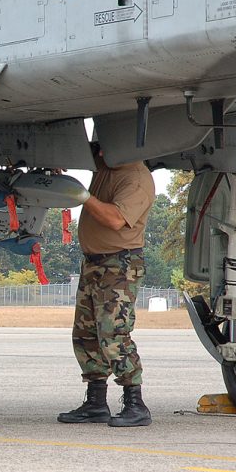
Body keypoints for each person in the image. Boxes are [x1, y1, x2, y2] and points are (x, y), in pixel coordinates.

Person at [58, 142, 156, 427]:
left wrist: (83, 196)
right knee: (86, 334)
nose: (99, 153)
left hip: (119, 266)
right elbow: (81, 154)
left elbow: (115, 219)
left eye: (106, 147)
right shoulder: (107, 163)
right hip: (93, 263)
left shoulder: (137, 179)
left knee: (114, 333)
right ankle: (96, 402)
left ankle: (135, 403)